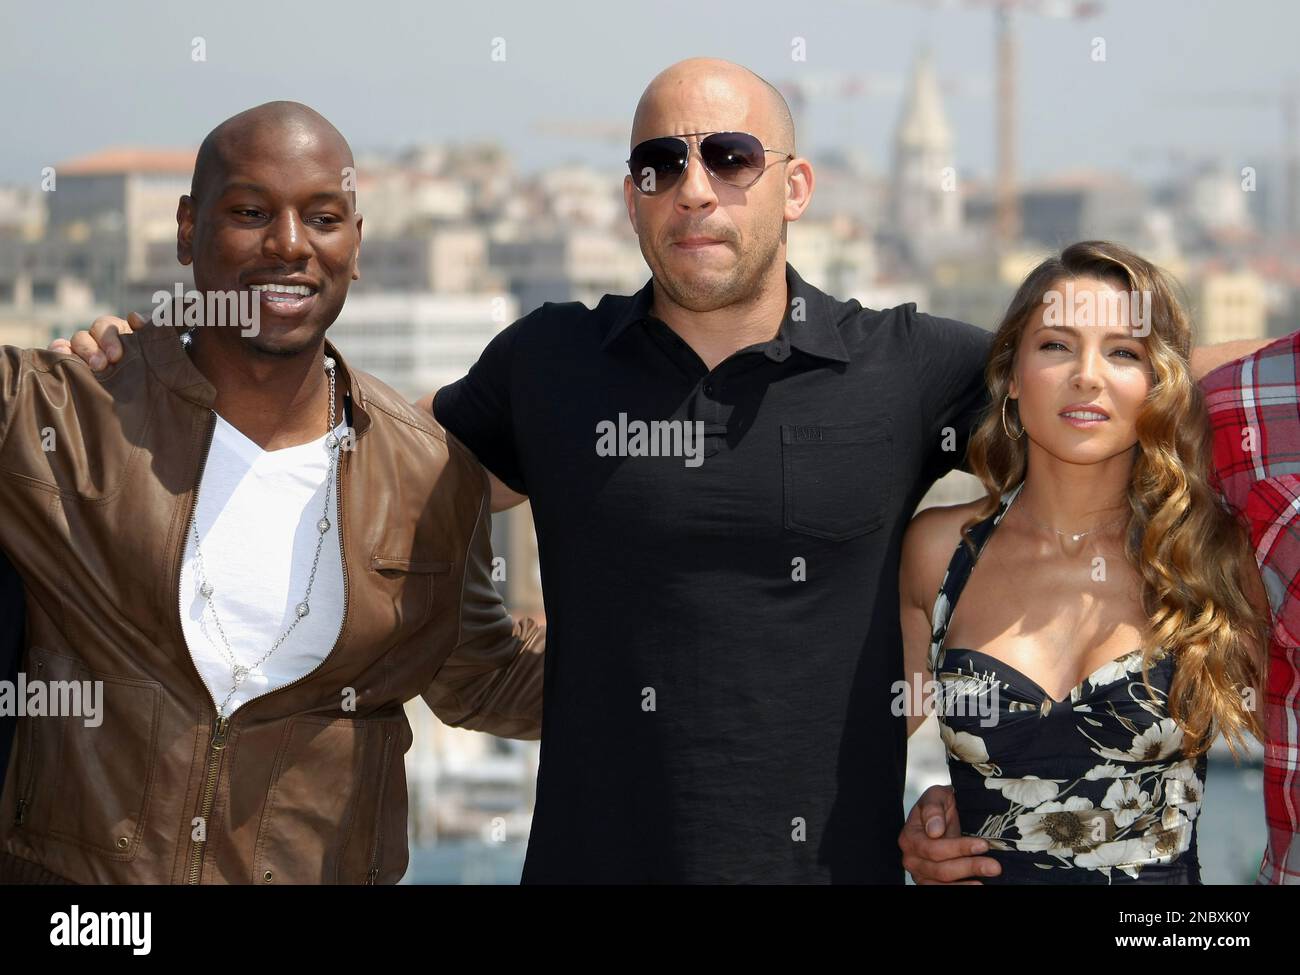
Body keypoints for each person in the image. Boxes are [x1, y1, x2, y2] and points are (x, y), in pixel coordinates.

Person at [62, 60, 1264, 884]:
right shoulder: (549, 364)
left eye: (730, 156)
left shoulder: (905, 368)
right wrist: (144, 369)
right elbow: (356, 446)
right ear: (631, 201)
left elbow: (1136, 377)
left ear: (792, 188)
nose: (695, 185)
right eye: (661, 162)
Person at [0, 101, 544, 885]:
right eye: (252, 211)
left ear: (356, 246)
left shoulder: (429, 475)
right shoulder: (57, 413)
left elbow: (484, 674)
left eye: (323, 217)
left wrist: (704, 656)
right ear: (189, 230)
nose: (289, 245)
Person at [898, 241, 1269, 883]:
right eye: (1056, 346)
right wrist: (911, 831)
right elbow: (848, 763)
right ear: (1012, 377)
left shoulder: (1212, 555)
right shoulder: (940, 552)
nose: (1087, 376)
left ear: (1160, 384)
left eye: (1124, 352)